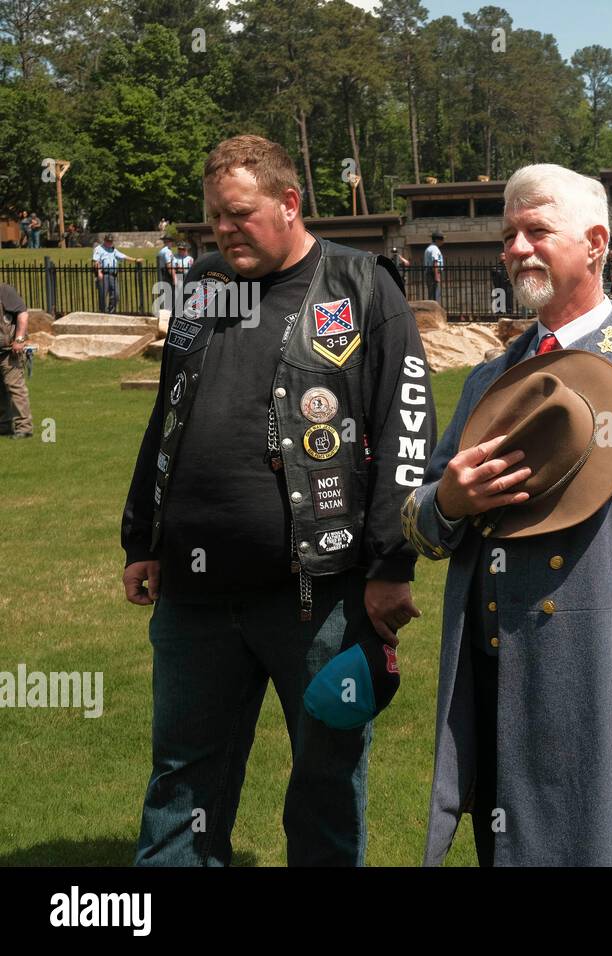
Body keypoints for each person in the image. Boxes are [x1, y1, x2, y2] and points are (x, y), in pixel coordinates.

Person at [402, 162, 612, 867]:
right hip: (497, 694)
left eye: (536, 231)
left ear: (595, 243)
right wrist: (450, 500)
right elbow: (420, 525)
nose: (517, 249)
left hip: (603, 691)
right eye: (508, 236)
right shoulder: (487, 381)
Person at [121, 134, 435, 866]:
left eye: (238, 215)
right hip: (195, 596)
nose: (222, 231)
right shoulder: (201, 286)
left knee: (326, 779)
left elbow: (407, 425)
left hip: (318, 595)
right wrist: (143, 537)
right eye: (213, 219)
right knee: (182, 780)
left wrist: (394, 562)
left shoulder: (362, 286)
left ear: (289, 203)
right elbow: (167, 417)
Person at [0, 283, 33, 439]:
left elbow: (22, 314)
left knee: (15, 388)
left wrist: (19, 339)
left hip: (8, 351)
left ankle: (24, 427)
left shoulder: (5, 291)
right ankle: (4, 425)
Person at [92, 235, 142, 314]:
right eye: (108, 241)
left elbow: (123, 256)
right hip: (104, 274)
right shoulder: (98, 249)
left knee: (116, 295)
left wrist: (135, 260)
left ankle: (111, 311)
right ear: (104, 241)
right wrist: (99, 272)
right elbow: (96, 262)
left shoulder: (113, 250)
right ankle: (102, 312)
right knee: (103, 295)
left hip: (113, 275)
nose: (110, 243)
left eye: (111, 241)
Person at [424, 232, 444, 302]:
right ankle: (434, 311)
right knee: (435, 295)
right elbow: (435, 262)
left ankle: (432, 310)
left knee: (432, 293)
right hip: (433, 272)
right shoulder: (434, 249)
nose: (443, 241)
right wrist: (436, 276)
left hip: (430, 271)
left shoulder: (429, 248)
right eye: (441, 239)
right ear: (436, 240)